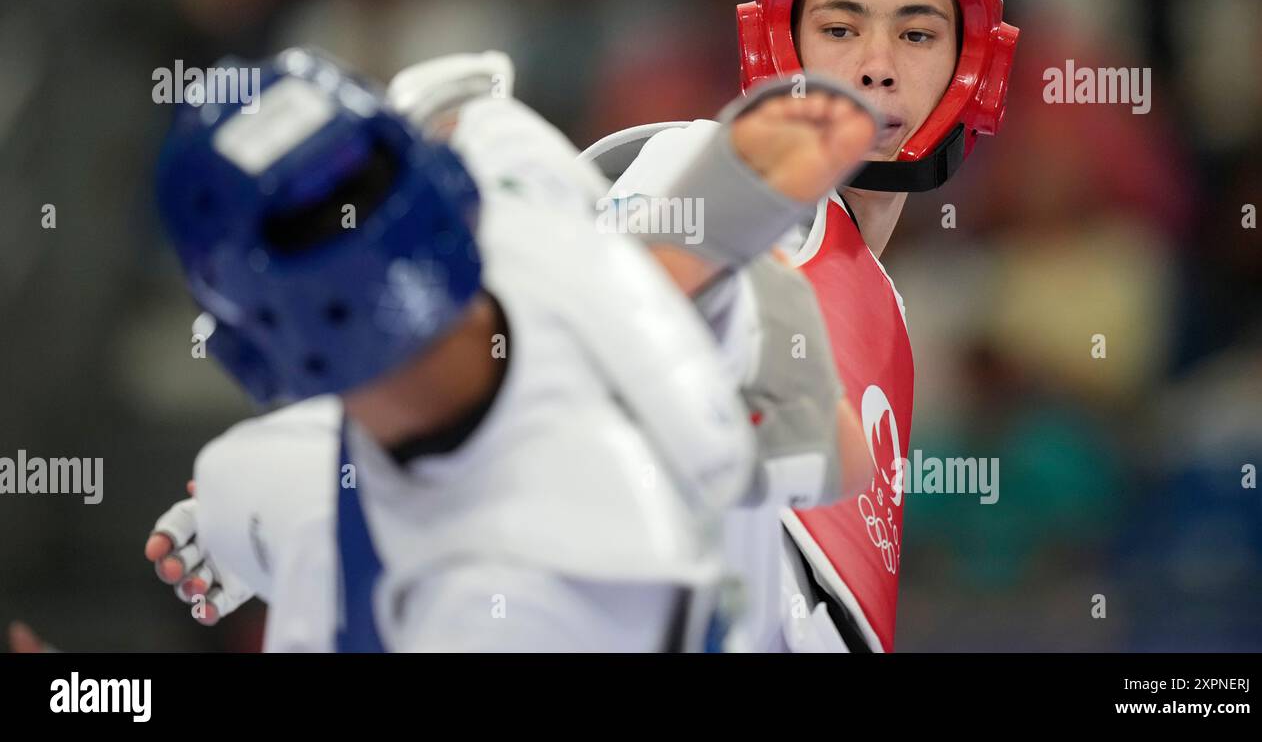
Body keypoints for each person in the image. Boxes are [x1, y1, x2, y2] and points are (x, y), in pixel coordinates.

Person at [144, 47, 881, 651]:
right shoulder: (517, 179)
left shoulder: (514, 597)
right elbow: (836, 459)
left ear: (254, 355)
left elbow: (833, 458)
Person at [583, 0, 1018, 652]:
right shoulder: (709, 171)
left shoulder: (871, 298)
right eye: (841, 27)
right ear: (777, 48)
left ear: (976, 65)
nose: (877, 69)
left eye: (917, 32)